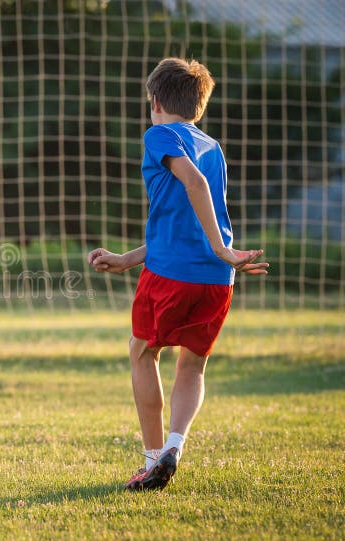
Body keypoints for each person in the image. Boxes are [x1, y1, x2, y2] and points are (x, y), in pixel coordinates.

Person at [87, 58, 268, 490]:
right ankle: (174, 444)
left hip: (175, 275)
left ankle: (151, 461)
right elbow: (187, 222)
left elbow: (194, 186)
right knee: (193, 366)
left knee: (142, 351)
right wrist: (129, 259)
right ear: (199, 106)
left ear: (155, 101)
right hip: (216, 279)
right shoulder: (213, 147)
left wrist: (223, 247)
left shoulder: (159, 134)